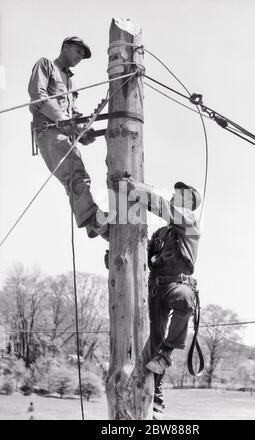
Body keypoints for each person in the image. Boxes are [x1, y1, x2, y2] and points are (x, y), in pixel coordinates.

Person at [116, 176, 202, 419]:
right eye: (175, 193)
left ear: (190, 201)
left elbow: (163, 207)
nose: (175, 195)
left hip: (177, 283)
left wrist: (135, 189)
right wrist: (116, 254)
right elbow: (141, 254)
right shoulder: (161, 232)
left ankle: (167, 351)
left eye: (181, 194)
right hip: (155, 287)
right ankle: (154, 399)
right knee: (150, 346)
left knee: (185, 301)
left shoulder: (189, 221)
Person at [28, 36, 108, 239]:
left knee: (79, 177)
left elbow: (73, 117)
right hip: (49, 131)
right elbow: (38, 97)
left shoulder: (69, 81)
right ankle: (94, 221)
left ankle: (94, 224)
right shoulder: (46, 65)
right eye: (78, 51)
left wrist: (83, 132)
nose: (80, 57)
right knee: (75, 174)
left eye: (83, 55)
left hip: (64, 135)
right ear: (65, 47)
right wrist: (65, 120)